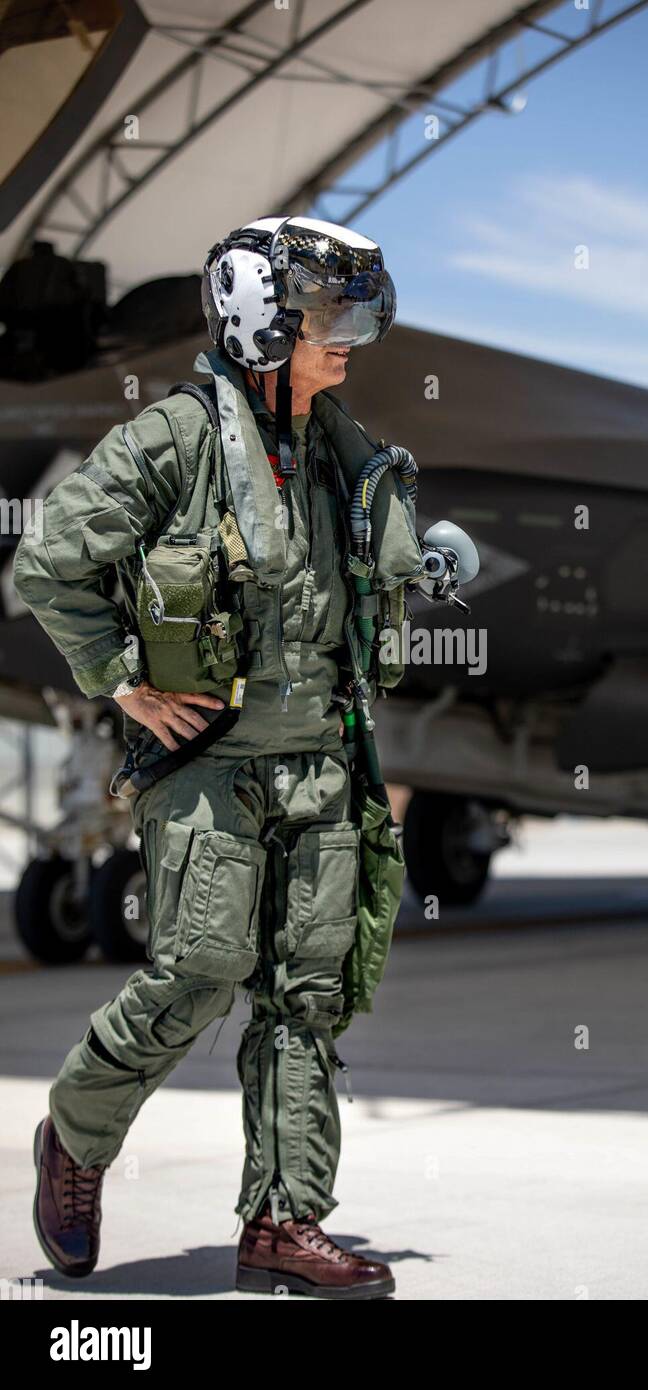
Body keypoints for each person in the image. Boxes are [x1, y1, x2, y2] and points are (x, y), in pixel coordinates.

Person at [14, 215, 423, 1299]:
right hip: (210, 763)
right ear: (260, 320)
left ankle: (283, 1224)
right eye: (328, 318)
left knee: (307, 997)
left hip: (323, 770)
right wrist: (119, 682)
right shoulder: (177, 439)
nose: (348, 340)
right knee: (198, 973)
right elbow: (51, 562)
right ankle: (77, 1134)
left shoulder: (343, 452)